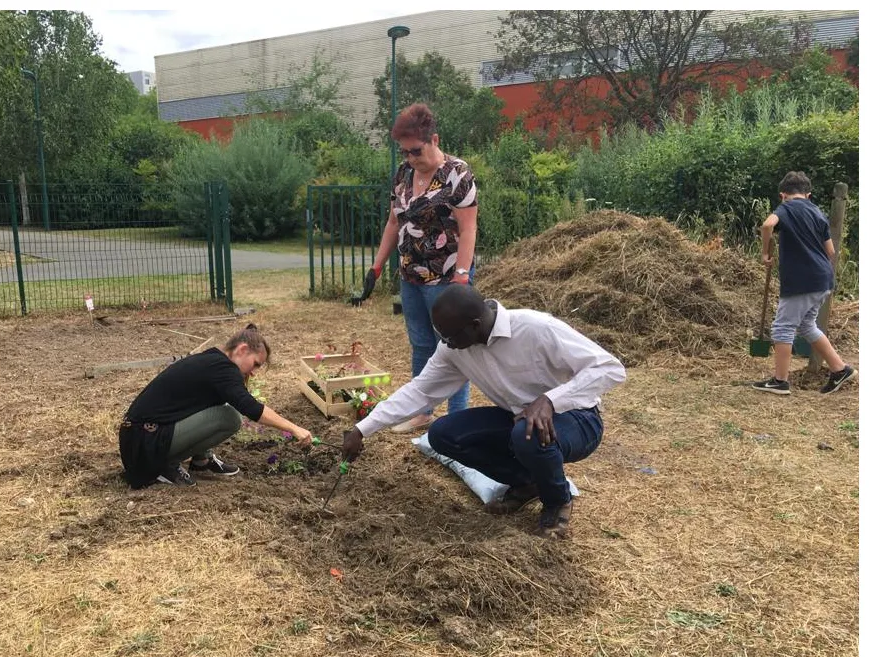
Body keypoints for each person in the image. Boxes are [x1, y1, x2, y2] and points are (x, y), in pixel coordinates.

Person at [341, 285, 626, 538]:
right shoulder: (455, 348)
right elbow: (420, 391)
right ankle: (527, 483)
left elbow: (610, 368)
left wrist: (550, 400)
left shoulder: (535, 328)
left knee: (527, 434)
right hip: (519, 419)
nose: (446, 343)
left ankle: (557, 500)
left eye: (450, 336)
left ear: (475, 325)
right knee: (442, 434)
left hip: (578, 418)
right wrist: (362, 429)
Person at [356, 102, 478, 433]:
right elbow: (393, 223)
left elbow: (468, 228)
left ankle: (456, 418)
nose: (410, 158)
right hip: (410, 275)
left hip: (446, 279)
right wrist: (376, 268)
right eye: (405, 152)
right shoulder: (403, 174)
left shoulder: (457, 174)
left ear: (434, 140)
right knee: (421, 344)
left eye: (416, 151)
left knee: (453, 348)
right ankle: (422, 411)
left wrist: (461, 278)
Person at [118, 324, 313, 489]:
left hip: (139, 437)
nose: (254, 372)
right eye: (255, 364)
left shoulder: (214, 361)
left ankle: (202, 460)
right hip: (144, 445)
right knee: (229, 417)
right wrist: (294, 428)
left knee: (223, 406)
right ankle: (163, 466)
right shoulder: (223, 369)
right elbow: (251, 408)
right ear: (242, 350)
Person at [753, 171, 856, 395]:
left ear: (783, 195)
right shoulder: (817, 212)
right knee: (807, 325)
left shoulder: (786, 208)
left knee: (782, 327)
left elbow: (767, 226)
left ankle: (780, 381)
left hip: (802, 280)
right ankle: (840, 369)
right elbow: (831, 251)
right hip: (823, 278)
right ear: (808, 195)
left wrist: (765, 254)